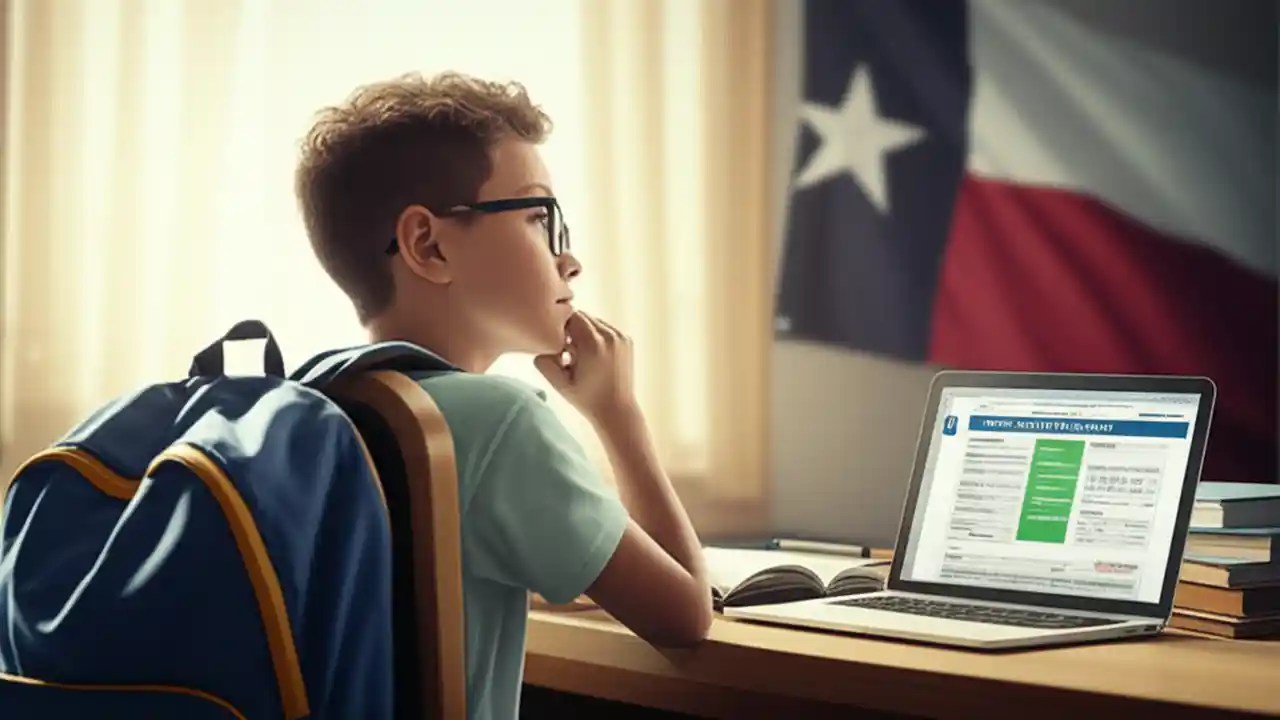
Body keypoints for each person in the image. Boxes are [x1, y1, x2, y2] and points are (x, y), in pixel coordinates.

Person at [293, 70, 712, 718]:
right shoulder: (497, 422)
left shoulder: (321, 399)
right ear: (427, 245)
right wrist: (617, 414)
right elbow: (685, 614)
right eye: (540, 218)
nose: (569, 261)